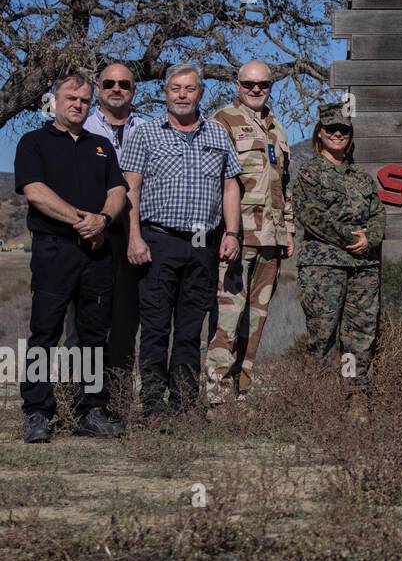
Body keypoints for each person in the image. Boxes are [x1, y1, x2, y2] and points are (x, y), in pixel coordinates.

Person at [120, 64, 241, 417]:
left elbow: (230, 185)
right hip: (158, 241)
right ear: (166, 92)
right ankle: (153, 405)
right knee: (156, 327)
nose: (182, 95)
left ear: (200, 92)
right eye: (176, 88)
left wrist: (231, 232)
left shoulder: (218, 134)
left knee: (190, 329)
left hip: (203, 244)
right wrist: (134, 238)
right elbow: (131, 189)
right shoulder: (145, 134)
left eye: (189, 88)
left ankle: (185, 404)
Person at [13, 73, 128, 442]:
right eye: (70, 98)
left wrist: (104, 220)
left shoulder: (101, 145)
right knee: (44, 332)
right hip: (53, 251)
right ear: (54, 100)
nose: (77, 104)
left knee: (94, 335)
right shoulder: (34, 142)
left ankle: (90, 410)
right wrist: (82, 220)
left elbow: (118, 191)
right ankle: (37, 413)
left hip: (97, 253)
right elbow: (35, 191)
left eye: (83, 99)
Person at [205, 61, 294, 408]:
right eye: (249, 84)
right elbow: (213, 184)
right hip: (237, 237)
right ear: (236, 85)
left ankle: (242, 390)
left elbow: (284, 187)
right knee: (228, 316)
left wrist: (288, 229)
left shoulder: (278, 129)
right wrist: (224, 233)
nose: (256, 90)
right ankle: (217, 395)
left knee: (257, 319)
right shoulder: (222, 122)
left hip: (271, 240)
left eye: (263, 84)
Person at [295, 103, 384, 421]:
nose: (337, 134)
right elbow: (309, 214)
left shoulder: (362, 178)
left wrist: (369, 239)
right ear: (320, 134)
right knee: (323, 334)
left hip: (363, 268)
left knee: (359, 335)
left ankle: (355, 397)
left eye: (343, 130)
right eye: (330, 128)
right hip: (324, 267)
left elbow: (378, 214)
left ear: (350, 136)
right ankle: (313, 402)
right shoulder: (308, 173)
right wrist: (350, 238)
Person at [83, 62, 146, 413]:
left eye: (124, 83)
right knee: (87, 321)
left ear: (134, 89)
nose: (116, 88)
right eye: (109, 83)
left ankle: (118, 402)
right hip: (92, 232)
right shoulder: (83, 126)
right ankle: (80, 400)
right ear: (98, 87)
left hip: (132, 233)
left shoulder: (150, 128)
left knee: (125, 320)